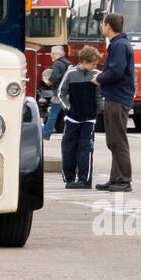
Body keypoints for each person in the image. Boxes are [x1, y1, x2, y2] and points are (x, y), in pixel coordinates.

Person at [93, 12, 136, 192]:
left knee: (118, 141)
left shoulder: (118, 46)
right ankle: (115, 178)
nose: (102, 27)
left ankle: (124, 180)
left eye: (103, 24)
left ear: (108, 26)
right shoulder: (119, 44)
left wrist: (99, 78)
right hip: (116, 97)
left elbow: (116, 71)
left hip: (117, 97)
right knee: (113, 140)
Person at [59, 45, 103, 189]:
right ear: (84, 61)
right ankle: (69, 178)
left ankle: (85, 180)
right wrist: (67, 106)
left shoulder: (96, 74)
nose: (95, 66)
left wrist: (100, 109)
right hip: (72, 119)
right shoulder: (70, 74)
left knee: (85, 149)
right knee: (68, 148)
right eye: (93, 63)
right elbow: (61, 93)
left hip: (89, 120)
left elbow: (99, 96)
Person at [40, 45, 69, 139]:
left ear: (59, 54)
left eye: (52, 53)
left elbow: (55, 75)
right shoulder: (69, 63)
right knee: (70, 115)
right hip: (69, 93)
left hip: (59, 93)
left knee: (53, 114)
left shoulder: (57, 63)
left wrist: (49, 82)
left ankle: (46, 134)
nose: (51, 55)